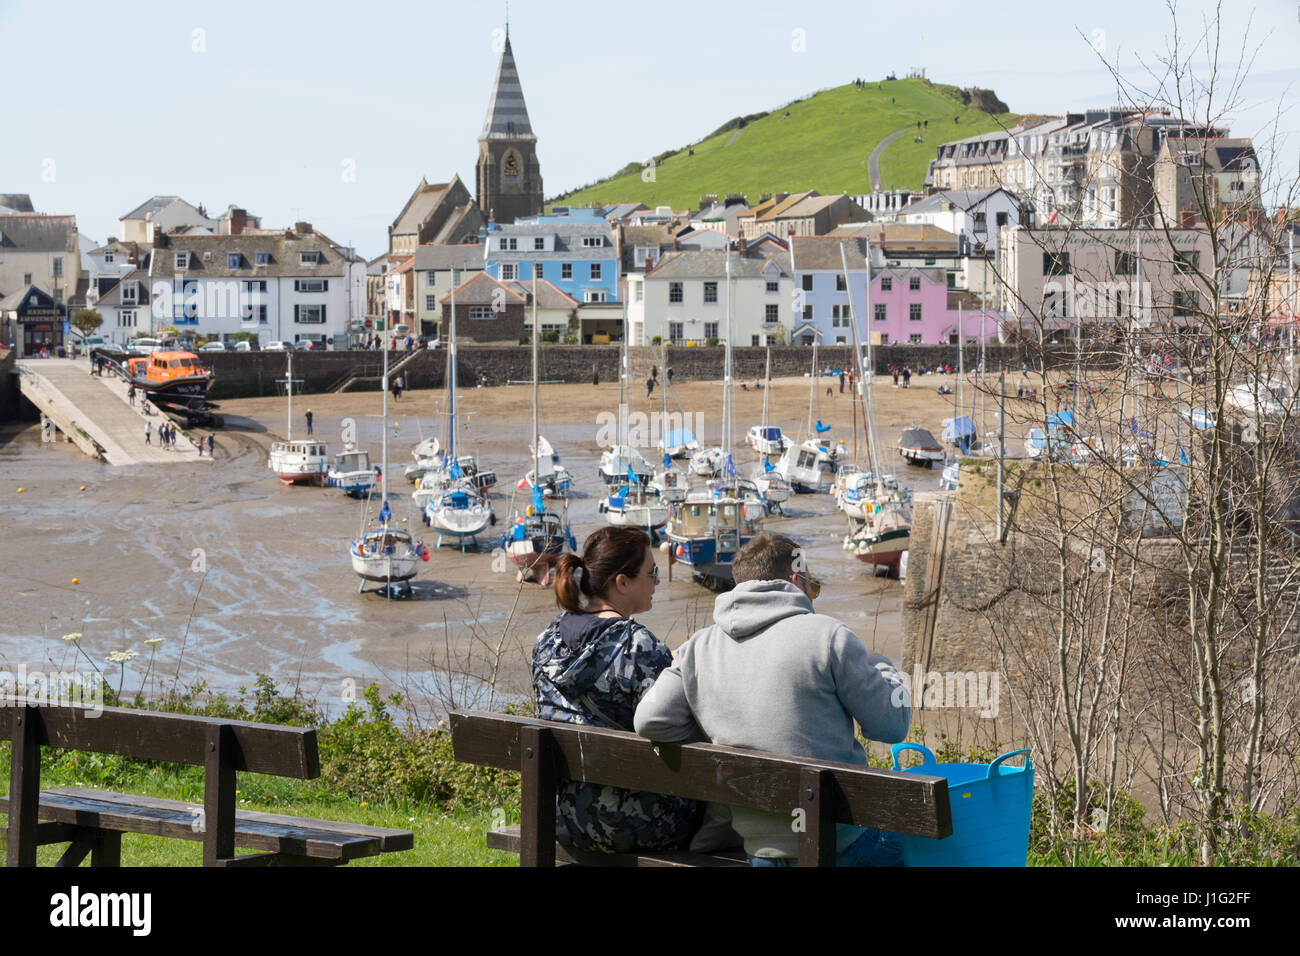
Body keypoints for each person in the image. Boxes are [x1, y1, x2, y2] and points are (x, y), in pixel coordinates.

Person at [634, 532, 909, 866]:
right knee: (942, 846)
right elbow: (892, 727)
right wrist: (883, 666)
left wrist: (714, 733)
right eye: (814, 587)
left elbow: (648, 720)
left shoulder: (697, 648)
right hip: (842, 843)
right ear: (796, 580)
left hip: (759, 848)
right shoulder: (828, 636)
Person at [532, 527, 699, 854]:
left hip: (566, 818)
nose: (658, 581)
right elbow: (680, 728)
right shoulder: (640, 646)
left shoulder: (546, 641)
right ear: (622, 583)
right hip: (641, 823)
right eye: (651, 573)